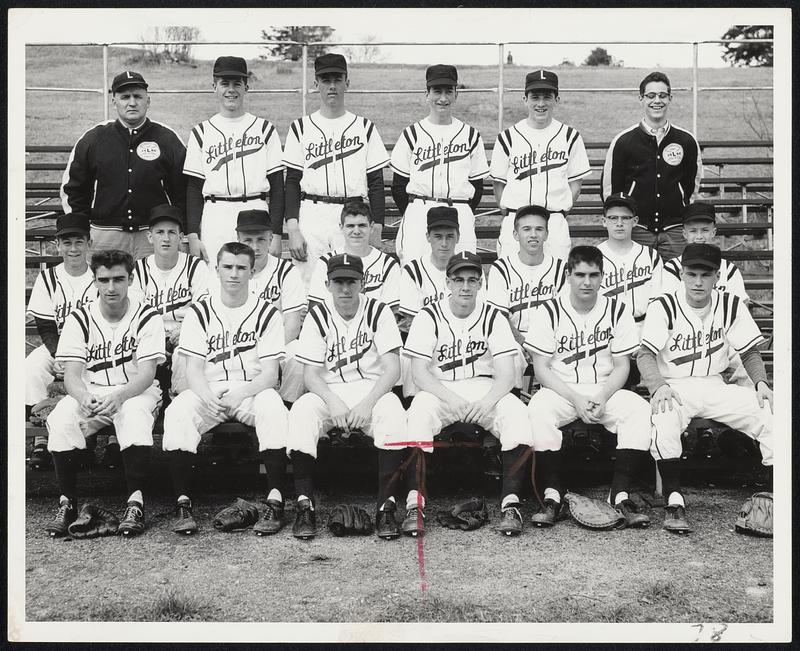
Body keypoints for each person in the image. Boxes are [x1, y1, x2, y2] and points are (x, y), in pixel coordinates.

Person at [637, 243, 773, 533]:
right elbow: (645, 354)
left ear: (716, 276)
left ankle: (777, 493)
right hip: (675, 385)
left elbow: (749, 352)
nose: (698, 282)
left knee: (769, 411)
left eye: (705, 275)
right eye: (692, 274)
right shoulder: (664, 305)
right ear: (682, 275)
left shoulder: (730, 304)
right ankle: (674, 499)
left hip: (715, 383)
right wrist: (657, 385)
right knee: (663, 417)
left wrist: (761, 383)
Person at [520, 246, 653, 533]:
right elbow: (541, 368)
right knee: (538, 409)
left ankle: (620, 495)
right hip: (561, 390)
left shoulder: (617, 310)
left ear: (603, 276)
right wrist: (575, 398)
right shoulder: (549, 310)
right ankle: (552, 495)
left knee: (639, 409)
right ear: (568, 275)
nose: (587, 281)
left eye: (594, 275)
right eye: (580, 274)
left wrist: (603, 397)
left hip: (605, 389)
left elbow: (622, 367)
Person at [162, 242, 290, 535]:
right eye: (228, 267)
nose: (234, 274)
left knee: (273, 407)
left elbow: (270, 375)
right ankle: (183, 502)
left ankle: (275, 499)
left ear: (252, 271)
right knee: (179, 410)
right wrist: (208, 397)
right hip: (209, 389)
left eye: (241, 268)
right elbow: (193, 369)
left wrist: (239, 394)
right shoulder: (200, 312)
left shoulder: (267, 312)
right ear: (217, 270)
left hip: (251, 390)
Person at [404, 251, 530, 537]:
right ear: (447, 282)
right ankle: (415, 503)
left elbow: (507, 374)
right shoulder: (429, 315)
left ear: (480, 284)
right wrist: (452, 399)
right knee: (418, 415)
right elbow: (420, 373)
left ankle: (511, 503)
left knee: (517, 414)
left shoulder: (493, 316)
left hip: (486, 388)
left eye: (472, 280)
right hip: (440, 389)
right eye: (458, 279)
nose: (465, 286)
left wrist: (486, 403)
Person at [286, 254, 411, 541]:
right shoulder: (318, 314)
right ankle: (304, 505)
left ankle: (386, 507)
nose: (345, 289)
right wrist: (332, 402)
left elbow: (393, 368)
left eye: (351, 281)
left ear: (363, 283)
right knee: (303, 411)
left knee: (392, 412)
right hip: (329, 390)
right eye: (339, 282)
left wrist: (368, 403)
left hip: (372, 388)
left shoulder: (379, 311)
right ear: (327, 284)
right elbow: (311, 375)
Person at [44, 250, 166, 538]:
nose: (111, 287)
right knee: (62, 417)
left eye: (119, 279)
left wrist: (121, 396)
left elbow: (148, 374)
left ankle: (135, 503)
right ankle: (67, 503)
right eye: (104, 280)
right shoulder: (80, 317)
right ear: (95, 281)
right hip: (94, 391)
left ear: (131, 279)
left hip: (137, 390)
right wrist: (83, 397)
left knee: (134, 415)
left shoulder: (147, 315)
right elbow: (72, 375)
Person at [282, 54, 389, 286]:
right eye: (325, 79)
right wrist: (293, 228)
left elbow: (376, 182)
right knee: (307, 284)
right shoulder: (300, 128)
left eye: (337, 79)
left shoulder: (364, 127)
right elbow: (291, 181)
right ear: (315, 84)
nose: (332, 85)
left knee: (350, 284)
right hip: (312, 213)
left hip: (352, 213)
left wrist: (377, 226)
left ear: (347, 83)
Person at [60, 71, 187, 259]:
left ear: (148, 101)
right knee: (106, 287)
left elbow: (183, 191)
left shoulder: (167, 138)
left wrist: (179, 230)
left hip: (154, 236)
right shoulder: (93, 139)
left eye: (138, 96)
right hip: (104, 236)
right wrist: (82, 229)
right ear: (114, 102)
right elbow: (73, 189)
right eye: (125, 97)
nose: (132, 102)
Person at [183, 56, 285, 268]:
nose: (231, 89)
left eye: (237, 83)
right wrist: (193, 235)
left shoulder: (265, 129)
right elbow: (194, 189)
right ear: (214, 87)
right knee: (216, 276)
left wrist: (276, 233)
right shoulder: (201, 132)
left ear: (246, 87)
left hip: (256, 208)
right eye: (224, 83)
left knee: (258, 278)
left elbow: (277, 185)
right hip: (215, 212)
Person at [390, 64, 489, 265]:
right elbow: (399, 186)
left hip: (459, 210)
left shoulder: (470, 135)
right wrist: (415, 211)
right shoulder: (412, 134)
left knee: (462, 272)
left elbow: (477, 187)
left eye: (448, 91)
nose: (442, 98)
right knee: (414, 273)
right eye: (437, 91)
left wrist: (461, 210)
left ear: (456, 95)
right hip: (420, 210)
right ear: (427, 94)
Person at [490, 70, 591, 260]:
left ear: (557, 99)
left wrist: (561, 210)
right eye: (535, 97)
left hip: (554, 221)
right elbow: (498, 184)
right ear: (525, 99)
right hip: (516, 221)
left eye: (547, 97)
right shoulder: (508, 137)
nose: (541, 103)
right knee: (513, 281)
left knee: (556, 282)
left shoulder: (570, 136)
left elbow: (576, 184)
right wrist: (512, 214)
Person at [602, 71, 703, 260]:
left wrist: (680, 208)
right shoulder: (623, 141)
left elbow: (693, 183)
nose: (657, 101)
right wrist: (625, 222)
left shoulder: (686, 140)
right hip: (637, 230)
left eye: (662, 95)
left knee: (677, 282)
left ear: (670, 98)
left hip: (675, 230)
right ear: (641, 99)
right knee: (638, 286)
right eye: (651, 96)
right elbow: (610, 189)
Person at [26, 212, 97, 470]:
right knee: (32, 367)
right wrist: (61, 356)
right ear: (58, 245)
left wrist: (76, 359)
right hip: (57, 347)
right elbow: (45, 326)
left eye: (79, 241)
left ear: (89, 242)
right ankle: (41, 439)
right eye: (67, 242)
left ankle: (91, 437)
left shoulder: (99, 277)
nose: (73, 248)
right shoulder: (48, 278)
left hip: (94, 349)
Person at [131, 204, 210, 401]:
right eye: (160, 232)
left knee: (186, 355)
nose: (166, 238)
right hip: (149, 336)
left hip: (185, 333)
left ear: (181, 236)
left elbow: (204, 309)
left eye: (171, 233)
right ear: (150, 237)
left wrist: (184, 329)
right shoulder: (139, 269)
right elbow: (134, 313)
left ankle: (181, 402)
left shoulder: (196, 266)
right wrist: (155, 336)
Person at [486, 204, 567, 391]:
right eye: (527, 229)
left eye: (539, 229)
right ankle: (511, 402)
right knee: (509, 357)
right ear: (515, 234)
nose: (533, 234)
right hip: (514, 338)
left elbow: (564, 315)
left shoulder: (561, 268)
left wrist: (541, 345)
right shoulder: (501, 267)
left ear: (547, 234)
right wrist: (524, 343)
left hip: (551, 339)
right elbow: (499, 317)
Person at [233, 209, 307, 403]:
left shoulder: (286, 271)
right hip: (235, 344)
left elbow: (292, 326)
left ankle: (287, 405)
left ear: (271, 238)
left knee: (299, 352)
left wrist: (266, 354)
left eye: (261, 240)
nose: (255, 247)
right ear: (237, 238)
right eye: (248, 240)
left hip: (277, 344)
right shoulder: (228, 270)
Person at [307, 201, 400, 313]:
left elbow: (392, 312)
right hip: (333, 326)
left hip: (375, 327)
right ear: (341, 227)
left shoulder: (388, 264)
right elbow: (316, 309)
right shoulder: (326, 261)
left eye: (362, 225)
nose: (356, 231)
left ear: (371, 227)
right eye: (350, 226)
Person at [597, 192, 662, 341]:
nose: (619, 223)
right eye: (613, 218)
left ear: (635, 221)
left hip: (644, 328)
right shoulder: (594, 257)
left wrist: (648, 336)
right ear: (604, 221)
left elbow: (657, 301)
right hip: (607, 331)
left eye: (625, 218)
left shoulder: (651, 256)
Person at [661, 202, 747, 300]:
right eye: (693, 231)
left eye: (705, 230)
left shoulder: (728, 269)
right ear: (685, 234)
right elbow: (667, 305)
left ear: (713, 232)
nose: (699, 237)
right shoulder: (672, 267)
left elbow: (741, 304)